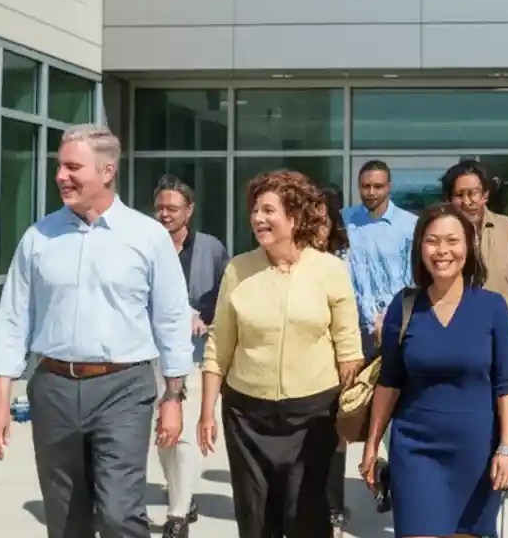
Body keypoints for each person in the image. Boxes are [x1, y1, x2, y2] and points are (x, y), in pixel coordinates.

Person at [0, 125, 193, 538]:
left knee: (119, 513)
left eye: (72, 166)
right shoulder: (38, 237)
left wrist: (173, 396)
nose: (61, 175)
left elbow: (171, 320)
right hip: (54, 388)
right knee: (64, 519)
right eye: (60, 166)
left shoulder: (147, 236)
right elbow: (12, 319)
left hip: (124, 389)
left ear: (107, 171)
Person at [197, 170, 364, 538]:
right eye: (255, 210)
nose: (258, 218)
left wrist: (347, 419)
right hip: (246, 416)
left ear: (295, 216)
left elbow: (349, 351)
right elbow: (218, 347)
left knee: (307, 516)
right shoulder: (238, 269)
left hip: (314, 415)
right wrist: (206, 411)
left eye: (269, 210)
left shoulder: (329, 270)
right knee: (256, 520)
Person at [360, 203, 508, 537]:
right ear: (419, 248)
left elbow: (506, 385)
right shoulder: (404, 307)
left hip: (478, 454)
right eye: (432, 241)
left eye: (452, 240)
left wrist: (507, 448)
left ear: (468, 247)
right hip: (416, 450)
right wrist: (372, 444)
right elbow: (389, 381)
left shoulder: (492, 307)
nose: (442, 251)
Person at [151, 174, 230, 538]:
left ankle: (178, 513)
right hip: (151, 354)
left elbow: (226, 291)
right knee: (163, 432)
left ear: (190, 211)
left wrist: (205, 318)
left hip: (196, 356)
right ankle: (181, 492)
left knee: (181, 431)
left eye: (173, 208)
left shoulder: (210, 248)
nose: (165, 215)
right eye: (160, 208)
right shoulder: (146, 244)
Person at [441, 160, 508, 374]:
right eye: (459, 195)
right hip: (457, 338)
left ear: (485, 195)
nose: (467, 201)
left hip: (504, 338)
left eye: (473, 193)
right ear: (449, 199)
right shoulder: (440, 235)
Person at [343, 160, 418, 360]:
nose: (371, 192)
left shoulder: (410, 226)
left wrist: (390, 315)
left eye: (378, 186)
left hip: (396, 323)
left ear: (389, 187)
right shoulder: (344, 220)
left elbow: (414, 278)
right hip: (354, 327)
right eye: (366, 186)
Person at [317, 184, 355, 536]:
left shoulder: (344, 256)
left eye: (323, 219)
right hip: (307, 359)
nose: (317, 227)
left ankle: (334, 504)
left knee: (336, 434)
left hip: (339, 356)